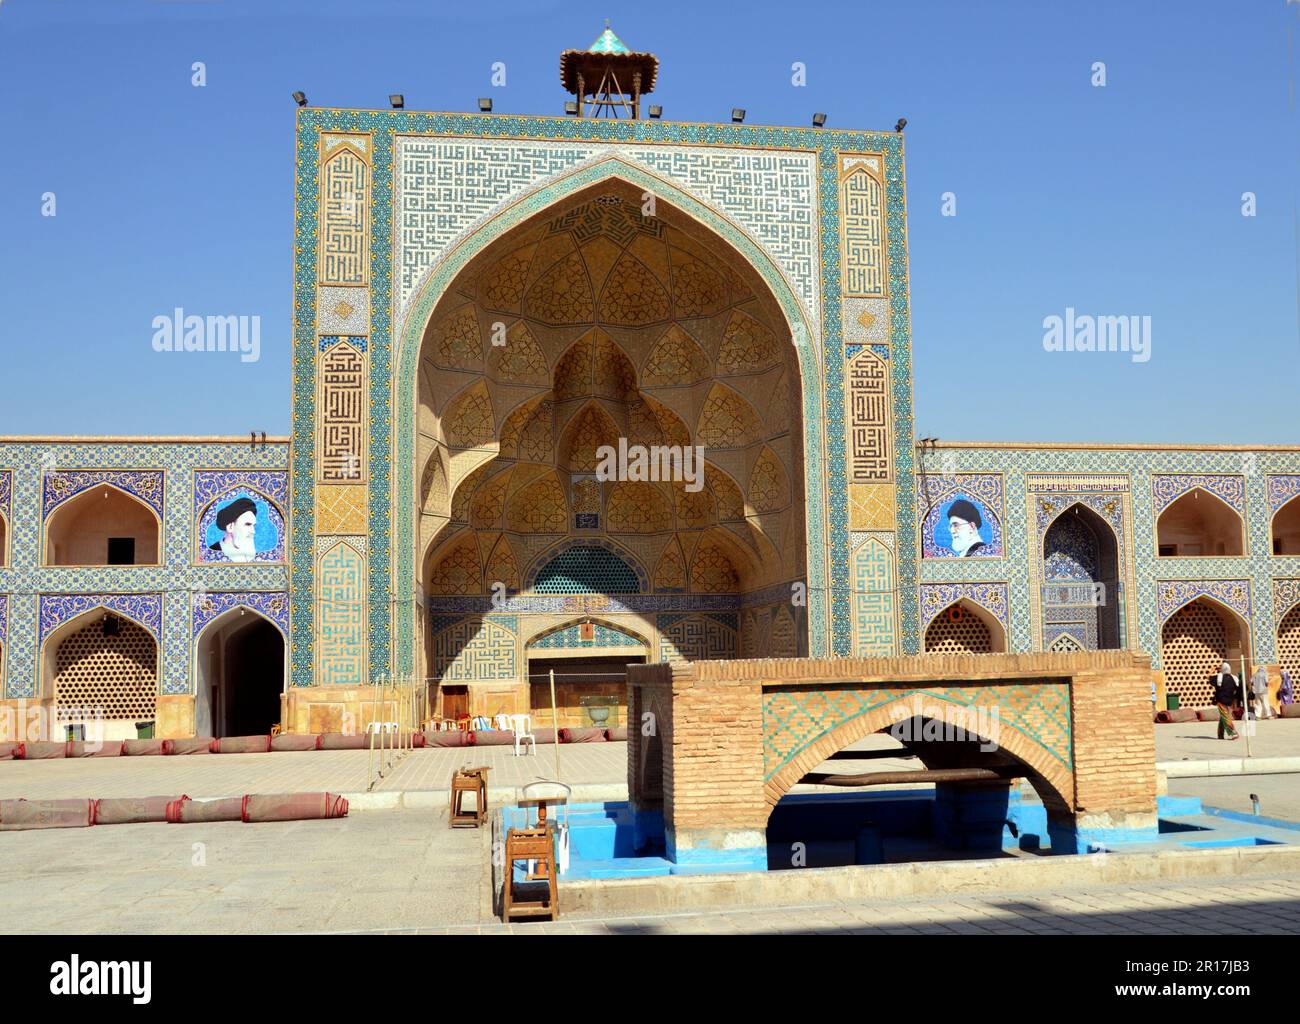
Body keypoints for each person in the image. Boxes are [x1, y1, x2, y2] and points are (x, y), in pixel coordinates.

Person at [208, 496, 260, 562]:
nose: (253, 531)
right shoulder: (211, 554)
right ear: (230, 527)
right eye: (247, 524)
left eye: (253, 526)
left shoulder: (255, 557)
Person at [1210, 662, 1241, 740]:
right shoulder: (1234, 678)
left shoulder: (1219, 677)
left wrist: (1212, 671)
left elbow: (1209, 679)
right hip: (1230, 701)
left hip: (1221, 700)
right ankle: (1220, 735)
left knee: (1225, 717)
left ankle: (1232, 733)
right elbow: (1237, 690)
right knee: (1223, 717)